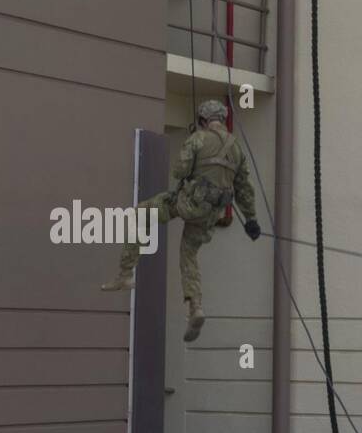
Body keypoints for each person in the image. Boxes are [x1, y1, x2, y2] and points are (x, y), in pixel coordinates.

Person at [100, 99, 261, 342]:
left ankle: (125, 272)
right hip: (211, 213)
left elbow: (179, 171)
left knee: (141, 213)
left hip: (188, 204)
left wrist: (192, 144)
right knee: (189, 254)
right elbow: (244, 188)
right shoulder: (236, 148)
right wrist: (251, 220)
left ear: (204, 120)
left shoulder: (197, 139)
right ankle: (195, 307)